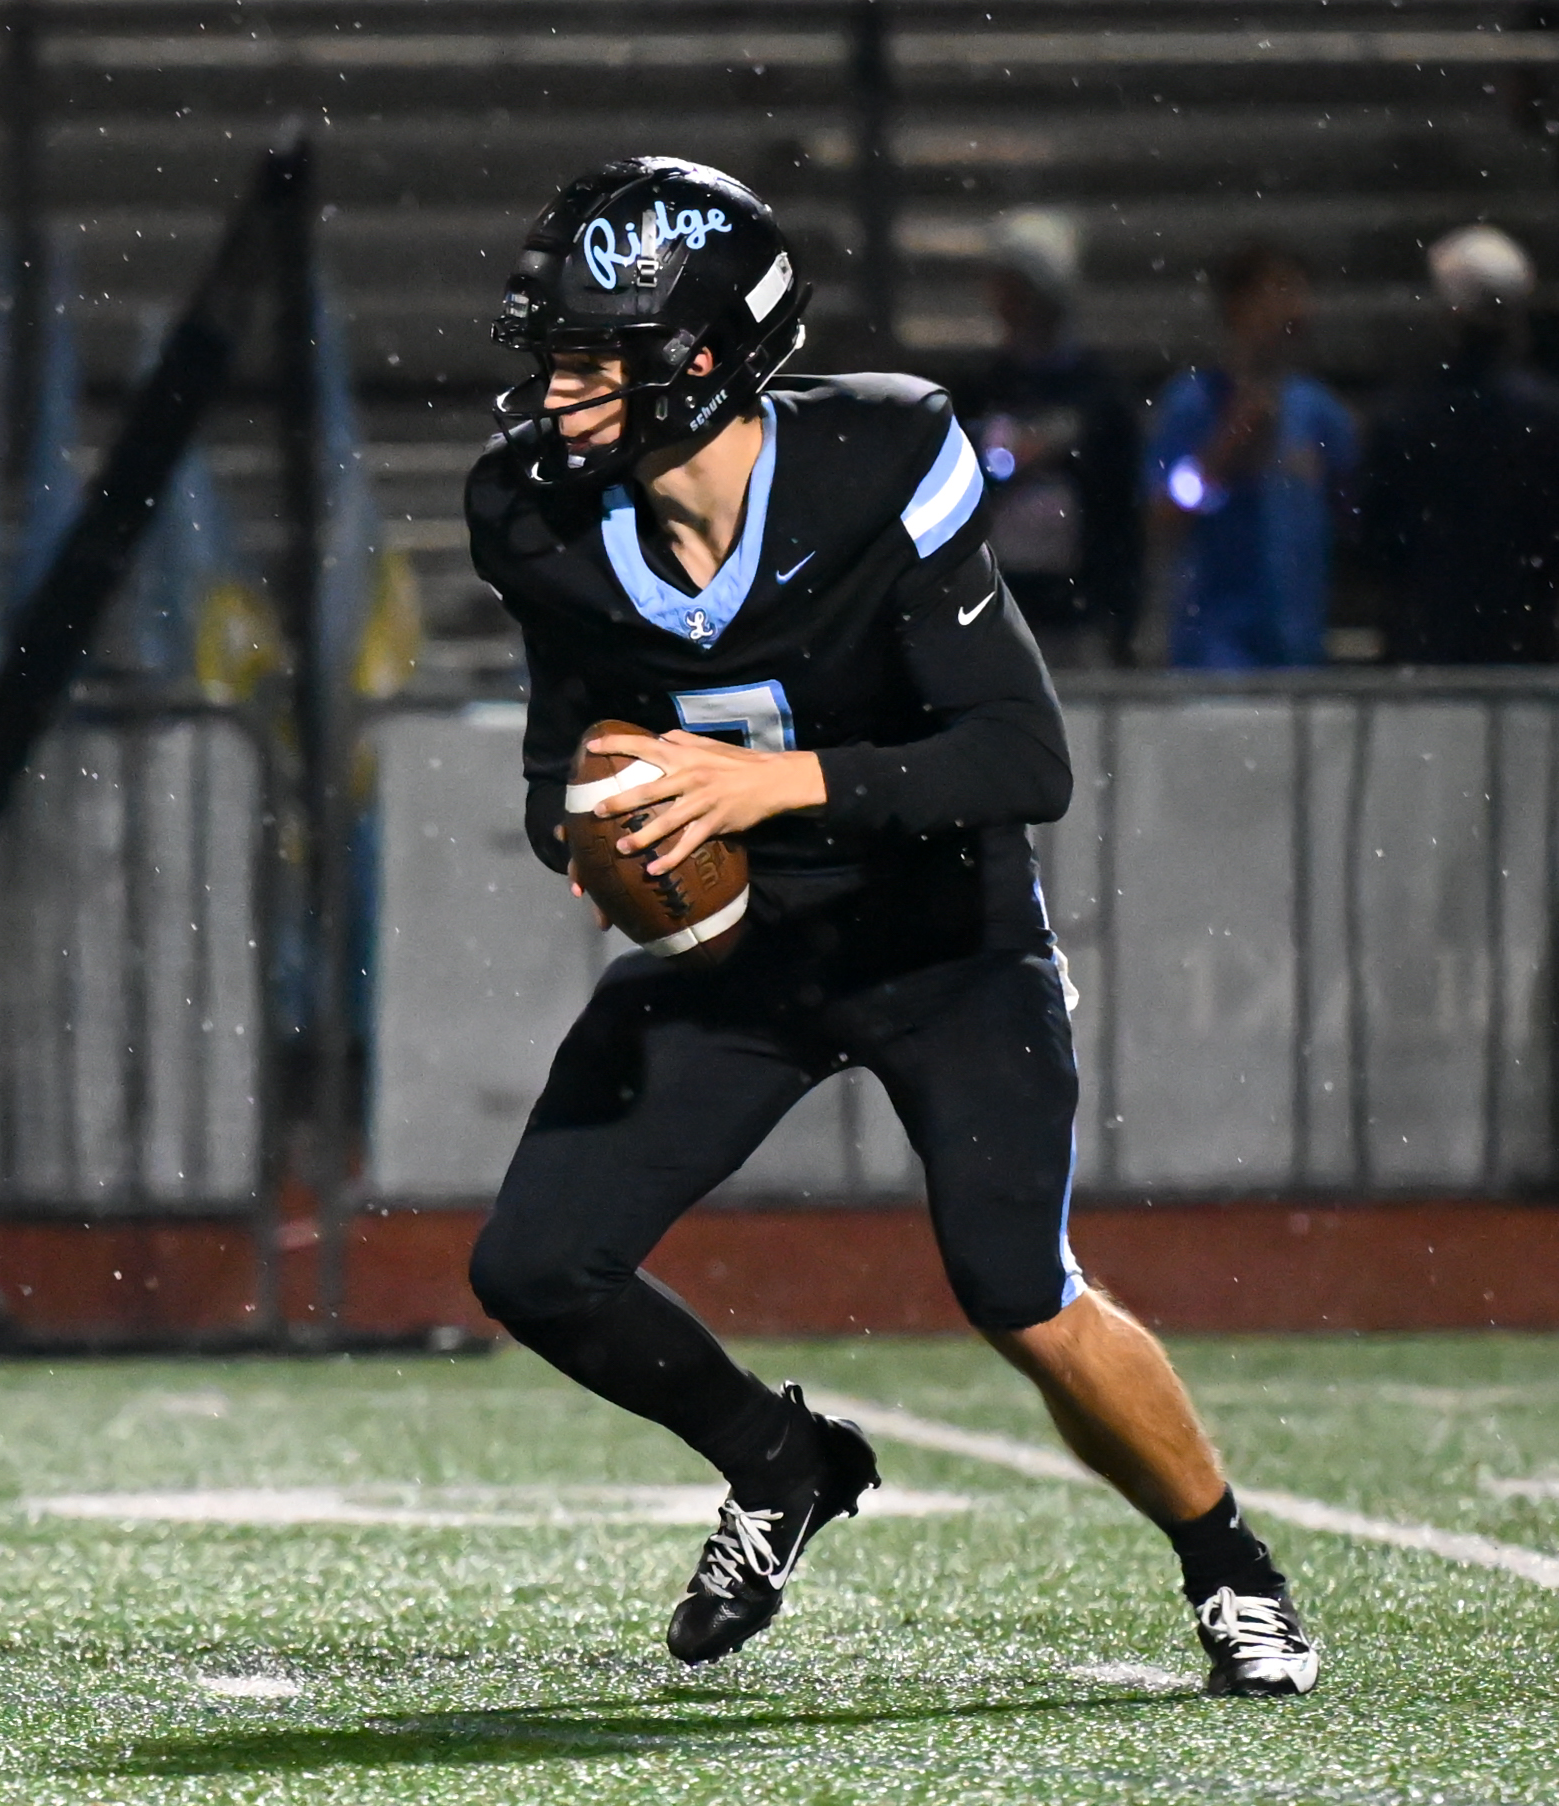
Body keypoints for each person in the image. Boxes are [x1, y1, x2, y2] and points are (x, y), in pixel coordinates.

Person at [466, 157, 1319, 1696]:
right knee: (535, 1262)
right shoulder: (540, 520)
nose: (558, 387)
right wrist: (590, 836)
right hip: (742, 954)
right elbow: (555, 761)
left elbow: (1021, 760)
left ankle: (1230, 1565)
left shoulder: (877, 461)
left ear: (704, 360)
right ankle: (780, 1459)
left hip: (943, 942)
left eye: (595, 354)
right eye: (557, 350)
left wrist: (760, 784)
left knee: (1017, 1287)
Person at [1145, 242, 1356, 669]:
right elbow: (1165, 515)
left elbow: (1347, 517)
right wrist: (1219, 457)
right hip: (1214, 652)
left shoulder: (1319, 413)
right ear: (1236, 306)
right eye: (1276, 292)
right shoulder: (1191, 405)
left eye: (1299, 292)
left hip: (1299, 650)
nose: (1293, 308)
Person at [1358, 224, 1559, 663]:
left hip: (1425, 641)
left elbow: (1375, 539)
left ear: (1448, 313)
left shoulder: (1404, 417)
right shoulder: (1543, 416)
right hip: (1524, 644)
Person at [958, 209, 1141, 670]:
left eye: (1020, 286)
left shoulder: (1099, 395)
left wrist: (1119, 616)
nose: (1007, 300)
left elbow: (1119, 510)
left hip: (1077, 612)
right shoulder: (981, 391)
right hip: (997, 609)